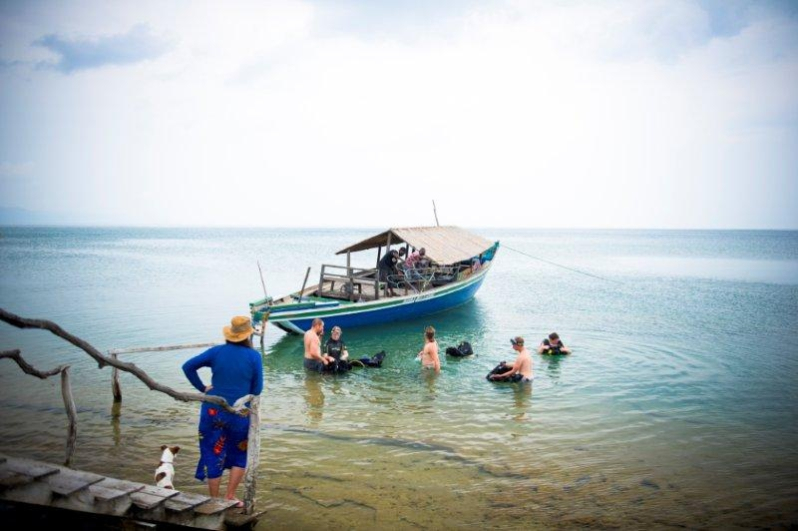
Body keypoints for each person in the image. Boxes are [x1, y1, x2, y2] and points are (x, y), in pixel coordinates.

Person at [182, 316, 263, 506]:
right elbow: (257, 389)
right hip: (239, 413)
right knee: (240, 453)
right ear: (247, 335)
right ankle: (230, 495)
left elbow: (188, 367)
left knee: (213, 452)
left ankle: (214, 499)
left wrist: (202, 388)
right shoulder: (254, 356)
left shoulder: (216, 351)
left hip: (212, 410)